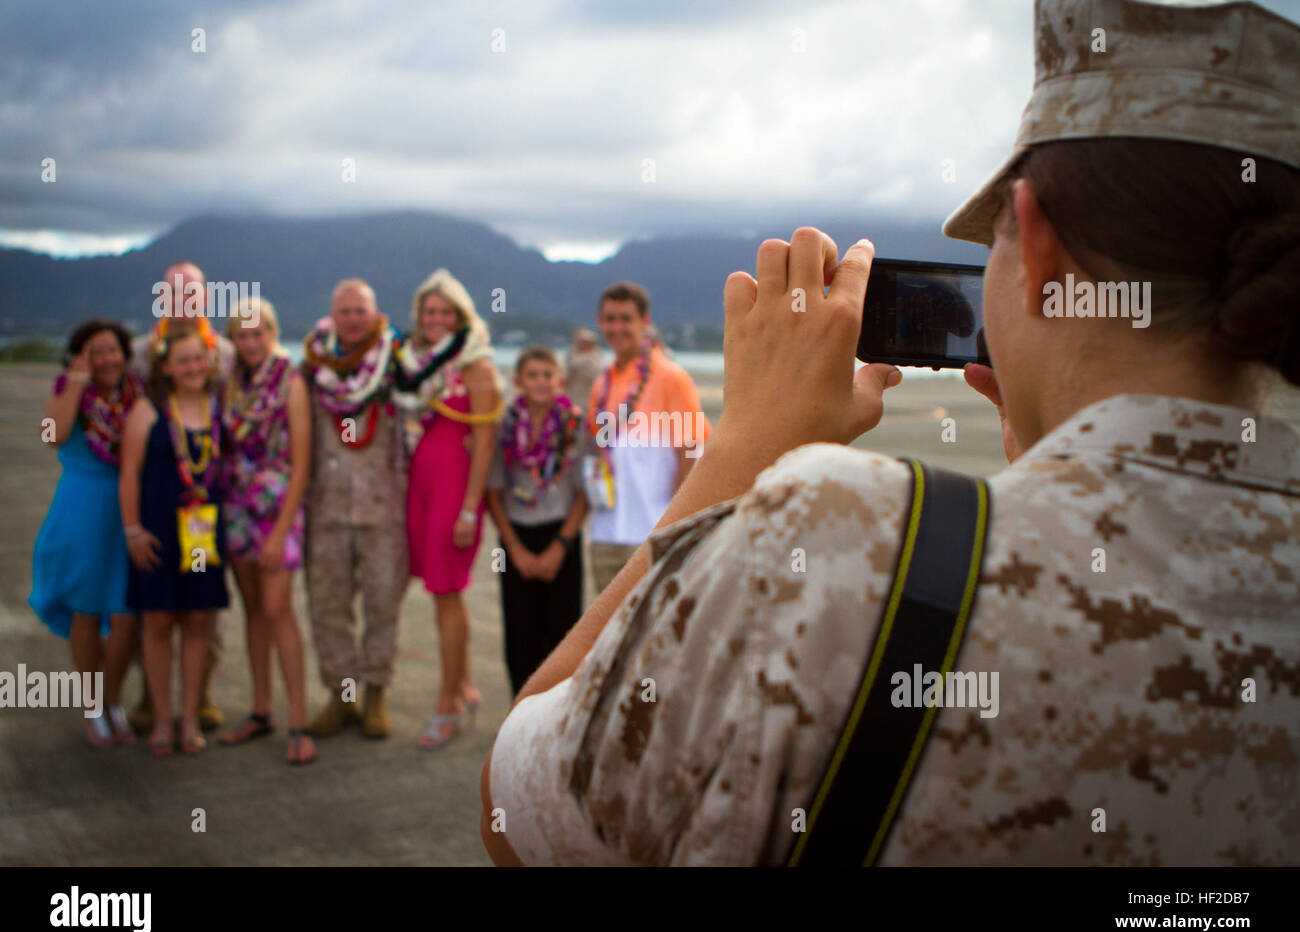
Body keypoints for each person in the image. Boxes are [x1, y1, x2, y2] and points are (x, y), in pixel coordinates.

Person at [482, 0, 1300, 865]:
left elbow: (516, 811)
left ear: (1037, 241)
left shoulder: (837, 539)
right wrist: (1051, 477)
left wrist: (751, 447)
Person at [393, 269, 503, 749]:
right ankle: (464, 685)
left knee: (447, 591)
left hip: (456, 487)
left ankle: (448, 703)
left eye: (445, 312)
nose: (436, 319)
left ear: (460, 317)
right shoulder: (414, 363)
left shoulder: (475, 364)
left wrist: (468, 509)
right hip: (422, 480)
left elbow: (484, 441)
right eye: (429, 311)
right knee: (442, 593)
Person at [127, 260, 232, 734]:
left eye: (192, 293)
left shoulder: (226, 354)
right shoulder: (139, 353)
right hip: (156, 492)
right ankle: (154, 699)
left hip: (206, 506)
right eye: (174, 293)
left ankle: (200, 695)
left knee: (201, 615)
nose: (184, 302)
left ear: (205, 299)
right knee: (154, 613)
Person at [302, 279, 408, 739]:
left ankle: (376, 694)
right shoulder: (312, 369)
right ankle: (341, 697)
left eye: (360, 310)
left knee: (384, 604)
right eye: (344, 311)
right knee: (328, 607)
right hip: (325, 505)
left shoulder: (396, 365)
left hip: (383, 506)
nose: (352, 318)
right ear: (332, 314)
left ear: (375, 312)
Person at [29, 318, 142, 747]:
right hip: (82, 510)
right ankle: (93, 707)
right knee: (86, 610)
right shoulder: (67, 389)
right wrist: (76, 380)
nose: (107, 359)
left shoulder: (137, 394)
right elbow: (52, 435)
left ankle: (113, 700)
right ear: (80, 357)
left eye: (113, 350)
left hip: (129, 508)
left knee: (128, 615)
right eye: (96, 351)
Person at [218, 298, 316, 765]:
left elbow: (301, 464)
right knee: (253, 609)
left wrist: (280, 531)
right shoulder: (230, 384)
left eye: (259, 333)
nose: (252, 342)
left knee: (278, 609)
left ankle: (298, 718)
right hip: (236, 506)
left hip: (277, 508)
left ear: (273, 334)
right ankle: (261, 709)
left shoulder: (290, 383)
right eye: (243, 334)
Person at [583, 281, 712, 595]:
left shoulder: (672, 377)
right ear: (600, 323)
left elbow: (692, 449)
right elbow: (599, 450)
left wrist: (675, 524)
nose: (617, 327)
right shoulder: (602, 382)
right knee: (606, 637)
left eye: (626, 318)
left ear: (645, 321)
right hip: (606, 532)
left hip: (651, 533)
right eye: (610, 319)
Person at [485, 346, 588, 696]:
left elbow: (585, 494)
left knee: (562, 631)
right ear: (518, 381)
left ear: (560, 380)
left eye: (548, 374)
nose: (541, 381)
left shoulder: (575, 426)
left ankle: (558, 713)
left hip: (561, 535)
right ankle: (520, 708)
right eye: (533, 374)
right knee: (519, 631)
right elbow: (493, 491)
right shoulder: (505, 427)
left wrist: (560, 546)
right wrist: (514, 548)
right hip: (516, 538)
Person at [563, 328, 602, 409]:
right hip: (576, 397)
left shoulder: (588, 359)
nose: (583, 344)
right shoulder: (574, 354)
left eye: (586, 342)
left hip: (586, 399)